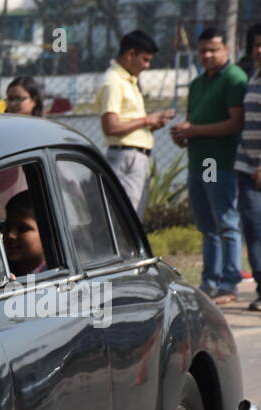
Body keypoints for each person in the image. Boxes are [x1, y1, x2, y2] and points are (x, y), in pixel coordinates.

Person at [173, 27, 249, 304]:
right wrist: (183, 135)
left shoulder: (234, 79)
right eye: (202, 50)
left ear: (226, 50)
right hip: (199, 161)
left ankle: (229, 283)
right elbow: (194, 122)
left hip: (221, 161)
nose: (206, 55)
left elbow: (235, 123)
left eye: (213, 49)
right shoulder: (198, 83)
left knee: (226, 222)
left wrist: (194, 130)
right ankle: (210, 280)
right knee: (206, 225)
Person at [97, 30, 174, 216]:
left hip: (134, 157)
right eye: (145, 60)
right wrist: (146, 120)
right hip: (126, 158)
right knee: (125, 219)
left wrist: (150, 125)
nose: (147, 66)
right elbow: (111, 127)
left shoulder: (128, 80)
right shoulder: (114, 81)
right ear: (130, 54)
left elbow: (126, 124)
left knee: (132, 219)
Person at [236, 25, 261, 310]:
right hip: (246, 166)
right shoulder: (253, 77)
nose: (259, 50)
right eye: (256, 44)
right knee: (253, 230)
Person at [1, 190, 47, 277]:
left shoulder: (53, 275)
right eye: (7, 226)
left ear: (46, 233)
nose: (10, 234)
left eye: (22, 228)